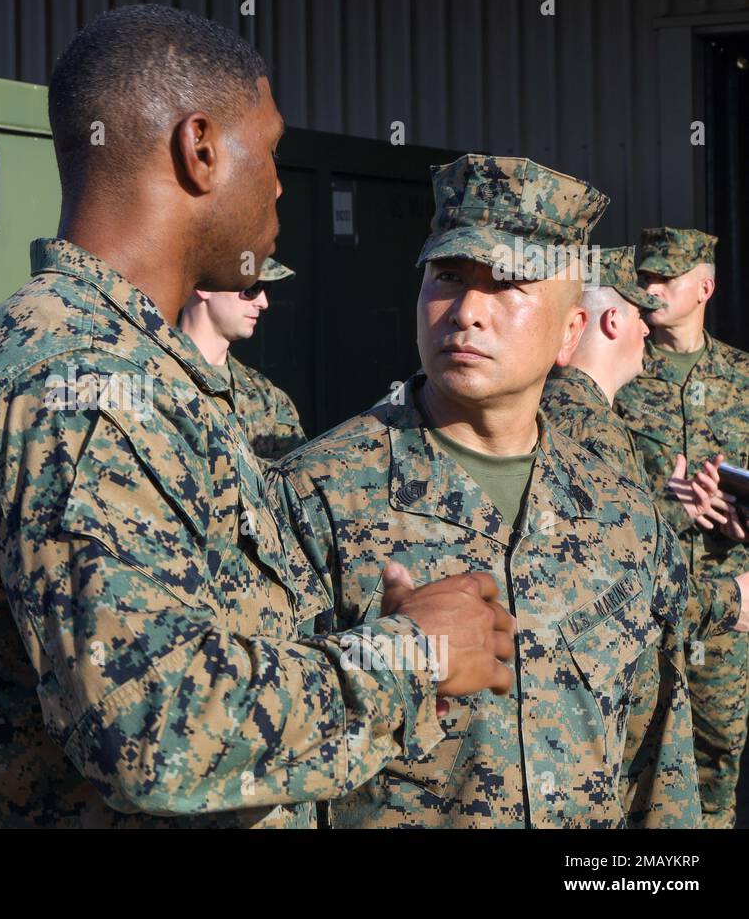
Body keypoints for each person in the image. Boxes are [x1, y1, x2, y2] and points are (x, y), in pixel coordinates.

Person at [0, 5, 515, 828]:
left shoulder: (135, 367)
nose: (283, 185)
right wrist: (411, 657)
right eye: (275, 152)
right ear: (201, 149)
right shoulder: (86, 386)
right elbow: (155, 734)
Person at [271, 154, 700, 827]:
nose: (466, 311)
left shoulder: (623, 519)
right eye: (447, 277)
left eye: (507, 284)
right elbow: (273, 771)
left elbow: (657, 772)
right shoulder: (316, 496)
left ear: (569, 333)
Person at [540, 246, 749, 642]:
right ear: (614, 320)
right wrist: (733, 600)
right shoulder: (596, 430)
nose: (647, 329)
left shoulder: (547, 408)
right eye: (639, 314)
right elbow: (629, 580)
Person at [614, 227, 749, 828]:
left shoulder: (743, 377)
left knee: (715, 761)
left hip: (724, 609)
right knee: (631, 766)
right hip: (640, 608)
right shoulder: (617, 375)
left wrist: (741, 515)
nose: (652, 287)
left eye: (668, 276)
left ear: (706, 287)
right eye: (645, 276)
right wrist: (666, 506)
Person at [179, 257, 306, 459]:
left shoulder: (268, 398)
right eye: (251, 287)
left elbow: (292, 484)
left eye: (266, 289)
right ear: (206, 286)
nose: (263, 302)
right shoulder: (149, 379)